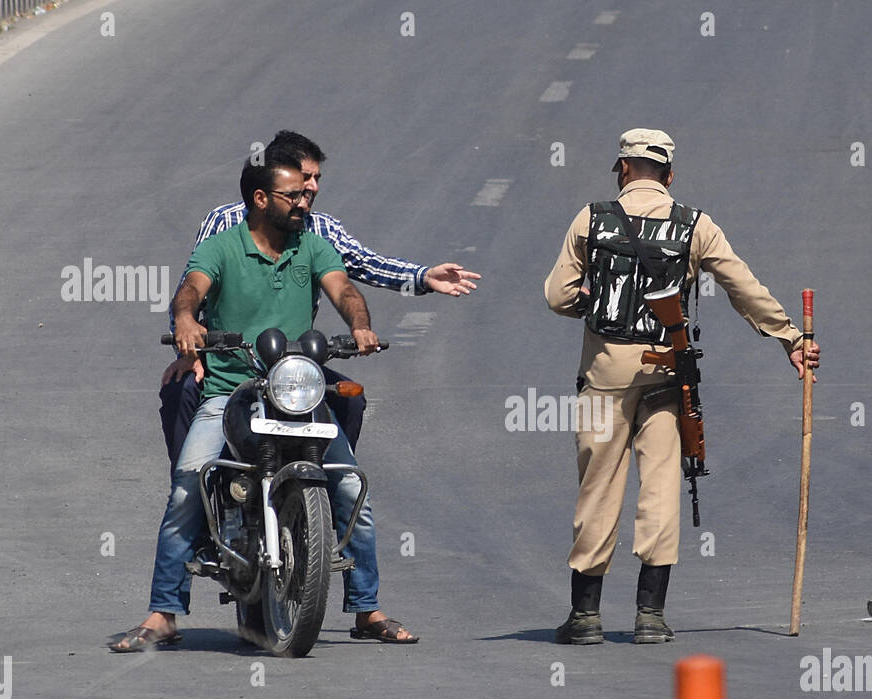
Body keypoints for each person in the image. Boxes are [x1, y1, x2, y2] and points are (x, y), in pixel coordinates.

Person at [113, 149, 413, 651]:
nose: (303, 201)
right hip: (230, 392)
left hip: (297, 393)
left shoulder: (313, 247)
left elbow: (343, 290)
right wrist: (187, 322)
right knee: (189, 484)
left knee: (349, 491)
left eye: (304, 192)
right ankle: (163, 611)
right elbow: (192, 288)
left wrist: (360, 326)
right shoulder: (223, 246)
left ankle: (367, 608)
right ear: (260, 198)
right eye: (292, 194)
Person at [543, 128, 820, 644]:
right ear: (669, 175)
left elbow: (557, 296)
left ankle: (585, 617)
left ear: (623, 169)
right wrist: (790, 336)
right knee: (663, 488)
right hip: (667, 375)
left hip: (605, 374)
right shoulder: (696, 225)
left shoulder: (590, 218)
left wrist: (596, 305)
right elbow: (743, 286)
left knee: (598, 488)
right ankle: (650, 616)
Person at [159, 129, 480, 463]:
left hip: (291, 365)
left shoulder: (319, 231)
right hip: (225, 360)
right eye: (303, 179)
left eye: (315, 179)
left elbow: (362, 268)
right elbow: (190, 289)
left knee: (350, 402)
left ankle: (327, 487)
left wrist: (423, 277)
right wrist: (190, 349)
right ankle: (197, 498)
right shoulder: (224, 223)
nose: (310, 188)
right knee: (180, 395)